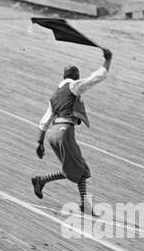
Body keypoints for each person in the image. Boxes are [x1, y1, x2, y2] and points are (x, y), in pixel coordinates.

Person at [32, 48, 113, 213]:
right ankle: (42, 181)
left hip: (53, 134)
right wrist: (107, 60)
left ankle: (83, 203)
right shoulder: (73, 86)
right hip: (65, 131)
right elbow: (96, 78)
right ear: (75, 76)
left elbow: (44, 121)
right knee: (76, 169)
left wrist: (40, 142)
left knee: (79, 168)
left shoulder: (55, 96)